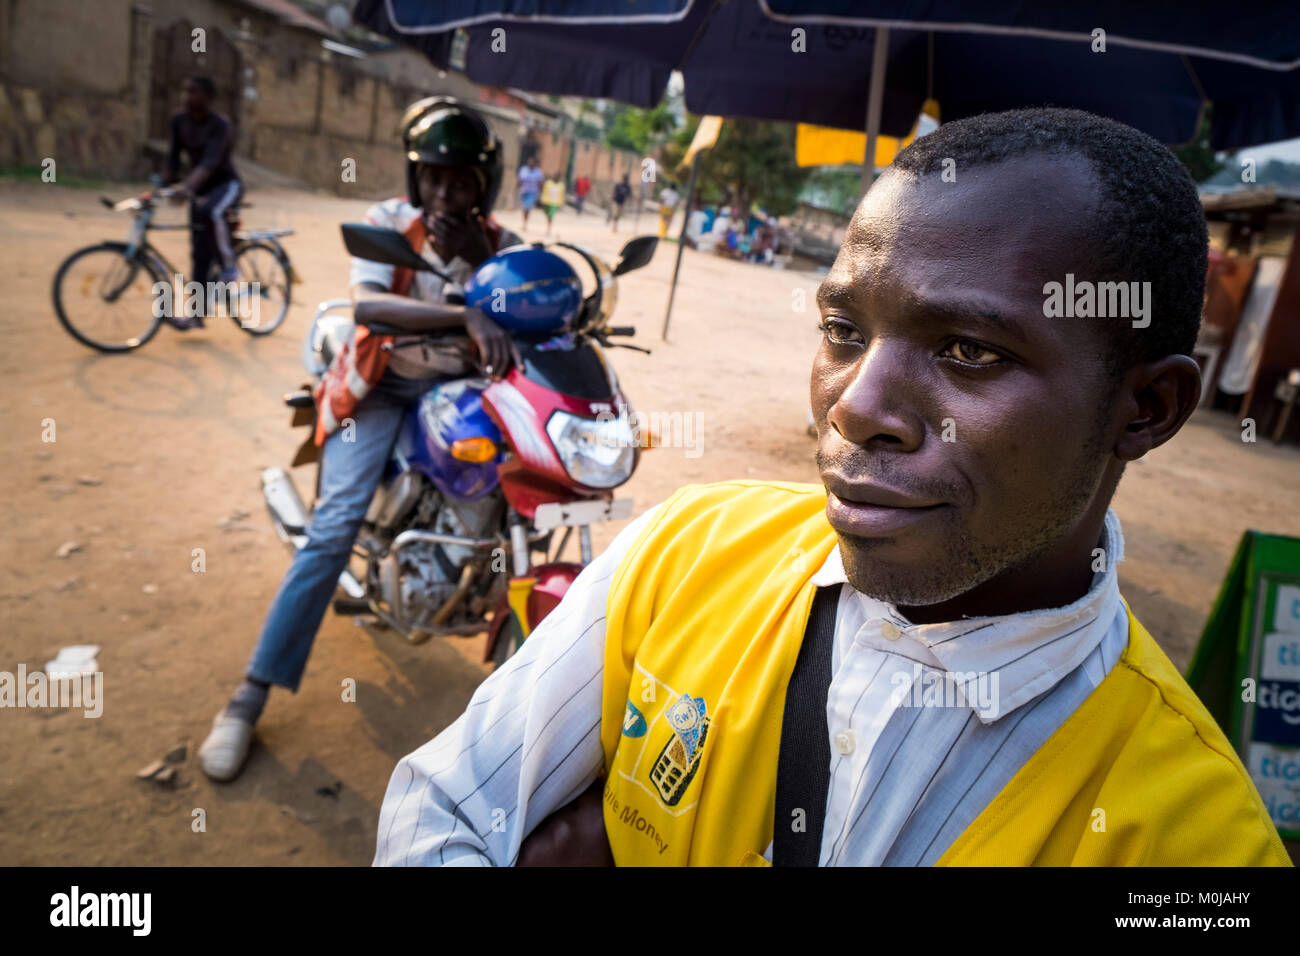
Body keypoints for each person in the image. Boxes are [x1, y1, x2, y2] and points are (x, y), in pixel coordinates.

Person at [373, 107, 1292, 867]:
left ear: (1147, 409)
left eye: (970, 351)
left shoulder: (1196, 840)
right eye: (845, 332)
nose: (853, 408)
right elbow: (442, 808)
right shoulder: (688, 552)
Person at [197, 98, 523, 783]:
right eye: (432, 177)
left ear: (484, 185)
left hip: (458, 393)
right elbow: (371, 306)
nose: (444, 193)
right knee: (335, 524)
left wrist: (485, 264)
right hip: (379, 387)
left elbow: (530, 306)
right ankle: (249, 695)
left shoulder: (502, 243)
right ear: (414, 178)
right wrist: (466, 313)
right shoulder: (387, 222)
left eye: (460, 180)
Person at [162, 74, 242, 331]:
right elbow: (172, 159)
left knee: (212, 211)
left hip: (226, 186)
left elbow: (210, 162)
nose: (186, 96)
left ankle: (229, 268)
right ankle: (197, 315)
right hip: (199, 191)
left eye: (193, 91)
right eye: (184, 91)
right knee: (199, 254)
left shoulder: (220, 125)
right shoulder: (179, 121)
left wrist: (186, 188)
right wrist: (161, 187)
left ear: (209, 97)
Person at [516, 156, 543, 230]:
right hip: (523, 192)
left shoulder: (538, 172)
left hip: (532, 192)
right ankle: (524, 221)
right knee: (524, 208)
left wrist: (541, 193)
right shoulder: (523, 170)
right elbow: (520, 180)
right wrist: (516, 189)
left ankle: (525, 223)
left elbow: (540, 183)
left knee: (527, 207)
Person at [540, 171, 565, 236]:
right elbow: (544, 192)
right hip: (547, 202)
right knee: (547, 215)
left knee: (550, 216)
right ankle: (548, 226)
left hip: (554, 203)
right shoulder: (548, 183)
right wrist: (543, 201)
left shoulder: (561, 185)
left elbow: (561, 195)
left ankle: (548, 229)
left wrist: (561, 203)